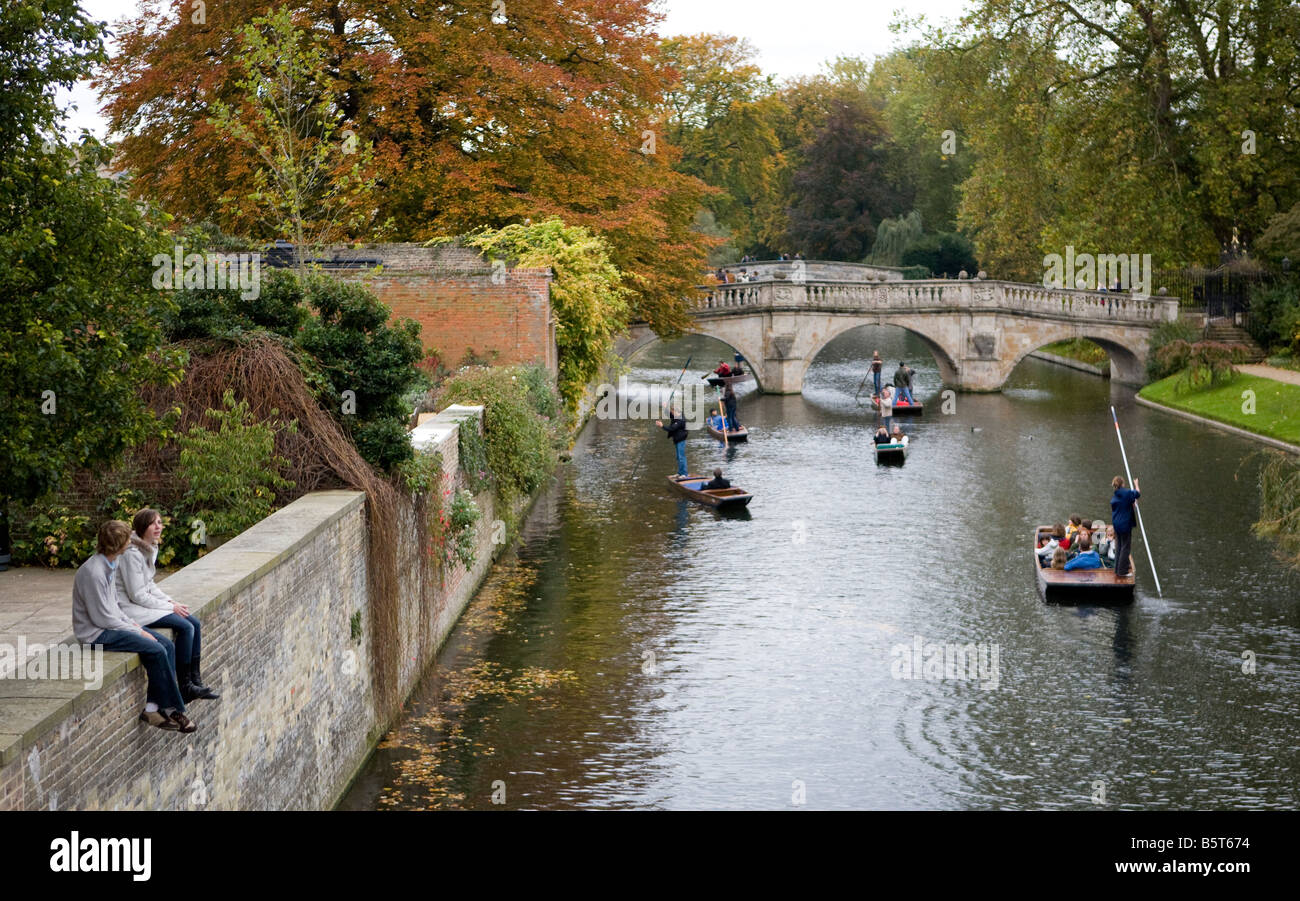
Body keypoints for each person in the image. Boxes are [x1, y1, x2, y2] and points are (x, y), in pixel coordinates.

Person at [72, 521, 195, 733]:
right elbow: (103, 619)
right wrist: (138, 631)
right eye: (127, 540)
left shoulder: (110, 564)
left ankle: (152, 708)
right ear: (119, 545)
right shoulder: (94, 573)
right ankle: (173, 709)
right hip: (96, 635)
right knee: (155, 649)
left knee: (166, 644)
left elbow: (115, 608)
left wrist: (134, 624)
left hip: (112, 625)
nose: (131, 542)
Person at [116, 509, 219, 702]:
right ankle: (185, 685)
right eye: (153, 523)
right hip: (131, 609)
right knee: (186, 626)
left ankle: (195, 681)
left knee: (194, 623)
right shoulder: (132, 554)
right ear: (142, 527)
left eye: (160, 523)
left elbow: (149, 584)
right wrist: (169, 608)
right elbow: (137, 594)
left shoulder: (148, 547)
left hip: (143, 603)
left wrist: (170, 601)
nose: (158, 527)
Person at [1111, 476, 1141, 577]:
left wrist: (1132, 503)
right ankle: (1122, 571)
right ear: (1123, 484)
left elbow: (1128, 503)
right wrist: (1136, 484)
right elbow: (1137, 494)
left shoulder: (1115, 496)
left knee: (1119, 546)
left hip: (1117, 524)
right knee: (1125, 547)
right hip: (1124, 525)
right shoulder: (1127, 493)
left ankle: (1117, 570)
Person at [656, 409, 689, 477]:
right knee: (678, 457)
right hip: (677, 439)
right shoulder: (676, 415)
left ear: (677, 412)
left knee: (681, 457)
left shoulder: (680, 420)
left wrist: (662, 426)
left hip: (681, 440)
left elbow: (671, 428)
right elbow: (669, 414)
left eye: (673, 412)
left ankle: (684, 474)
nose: (672, 414)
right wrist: (665, 408)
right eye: (672, 412)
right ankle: (680, 472)